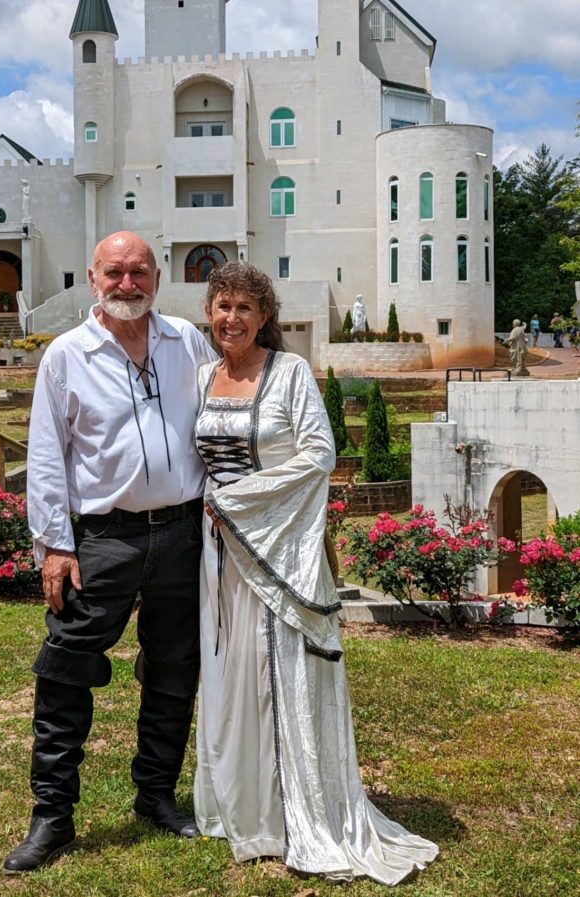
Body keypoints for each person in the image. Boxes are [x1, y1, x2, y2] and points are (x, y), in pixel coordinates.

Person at [193, 262, 438, 884]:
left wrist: (237, 501)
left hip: (276, 550)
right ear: (209, 311)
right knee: (229, 669)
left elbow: (318, 453)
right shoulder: (202, 378)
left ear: (266, 316)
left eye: (245, 307)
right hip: (217, 553)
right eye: (223, 305)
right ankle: (240, 806)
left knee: (282, 670)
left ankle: (294, 812)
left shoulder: (291, 374)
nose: (232, 318)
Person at [3, 231, 215, 874]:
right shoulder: (67, 354)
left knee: (174, 668)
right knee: (66, 667)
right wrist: (54, 545)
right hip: (103, 540)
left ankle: (155, 796)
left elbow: (218, 420)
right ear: (93, 279)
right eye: (115, 273)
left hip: (183, 532)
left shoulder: (188, 341)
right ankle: (53, 816)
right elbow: (46, 456)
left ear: (158, 276)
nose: (129, 285)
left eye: (140, 272)